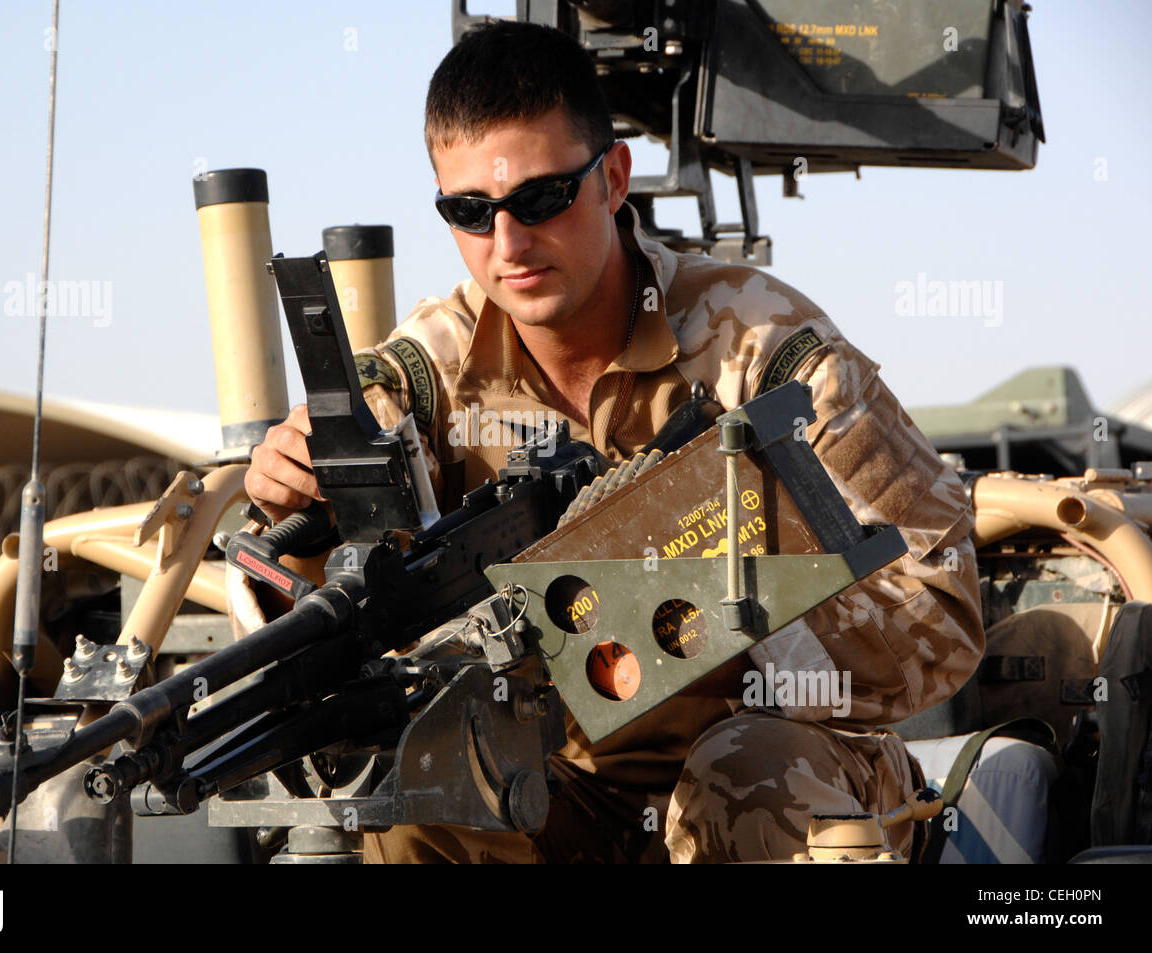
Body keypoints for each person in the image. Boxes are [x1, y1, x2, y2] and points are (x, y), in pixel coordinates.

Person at [244, 20, 984, 863]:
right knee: (419, 805)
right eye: (470, 212)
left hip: (786, 763)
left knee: (739, 775)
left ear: (614, 179)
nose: (508, 244)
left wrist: (712, 633)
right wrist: (299, 503)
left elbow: (947, 608)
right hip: (566, 786)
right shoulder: (427, 374)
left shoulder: (767, 351)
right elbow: (328, 592)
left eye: (542, 199)